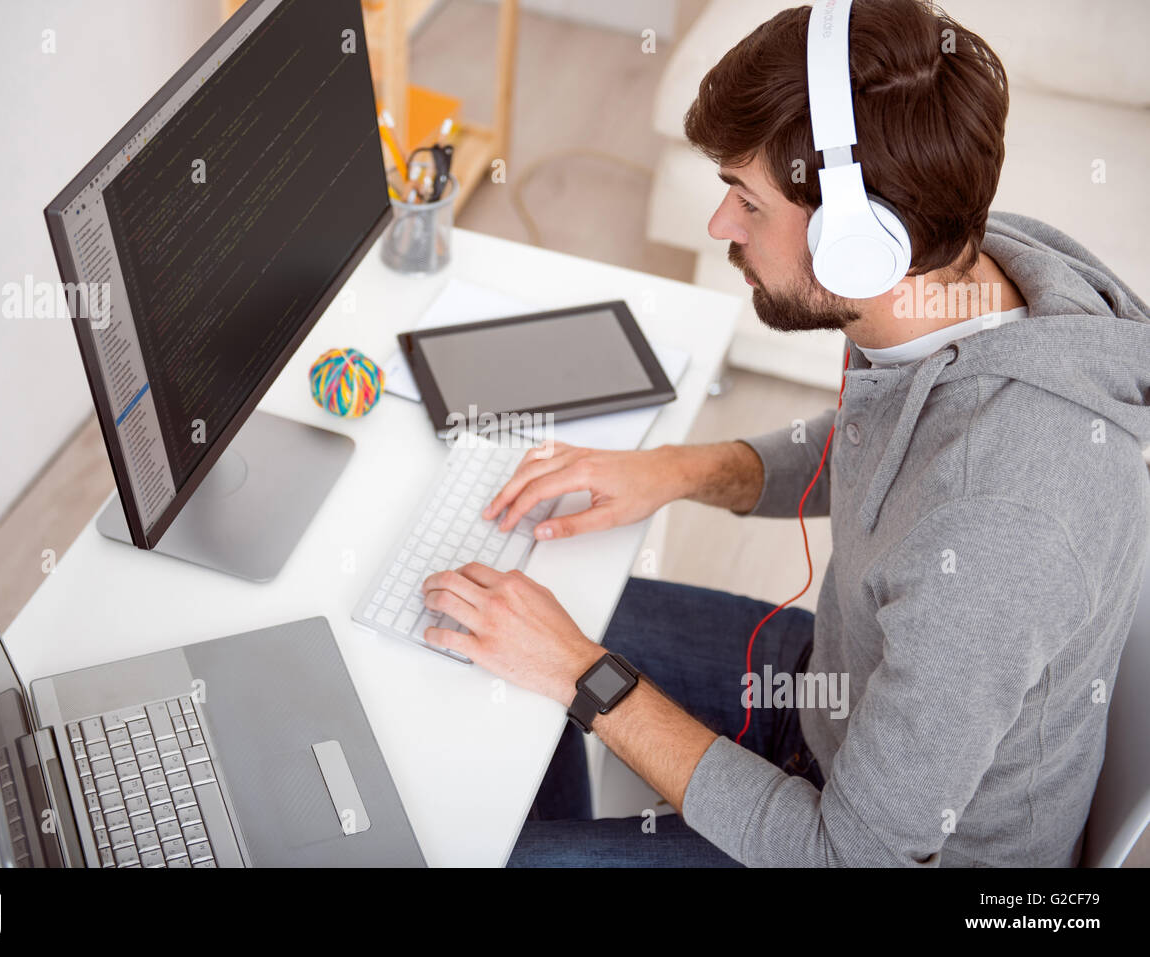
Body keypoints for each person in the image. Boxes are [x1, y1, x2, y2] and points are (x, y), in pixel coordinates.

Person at [420, 0, 1150, 866]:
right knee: (489, 613)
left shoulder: (1004, 521)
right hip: (828, 698)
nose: (719, 226)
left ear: (859, 245)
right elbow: (889, 450)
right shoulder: (966, 275)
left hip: (866, 845)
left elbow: (849, 852)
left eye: (747, 200)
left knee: (489, 835)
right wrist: (676, 471)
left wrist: (581, 677)